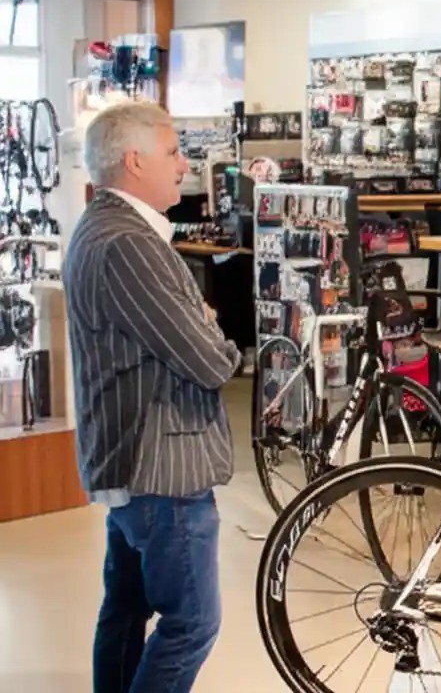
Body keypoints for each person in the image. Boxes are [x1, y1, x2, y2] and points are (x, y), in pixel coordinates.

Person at [63, 101, 241, 693]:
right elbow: (210, 359)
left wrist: (201, 321)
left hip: (132, 459)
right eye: (172, 153)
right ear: (134, 161)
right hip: (161, 468)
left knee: (126, 610)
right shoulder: (129, 244)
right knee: (191, 621)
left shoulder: (104, 228)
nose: (184, 166)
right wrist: (213, 327)